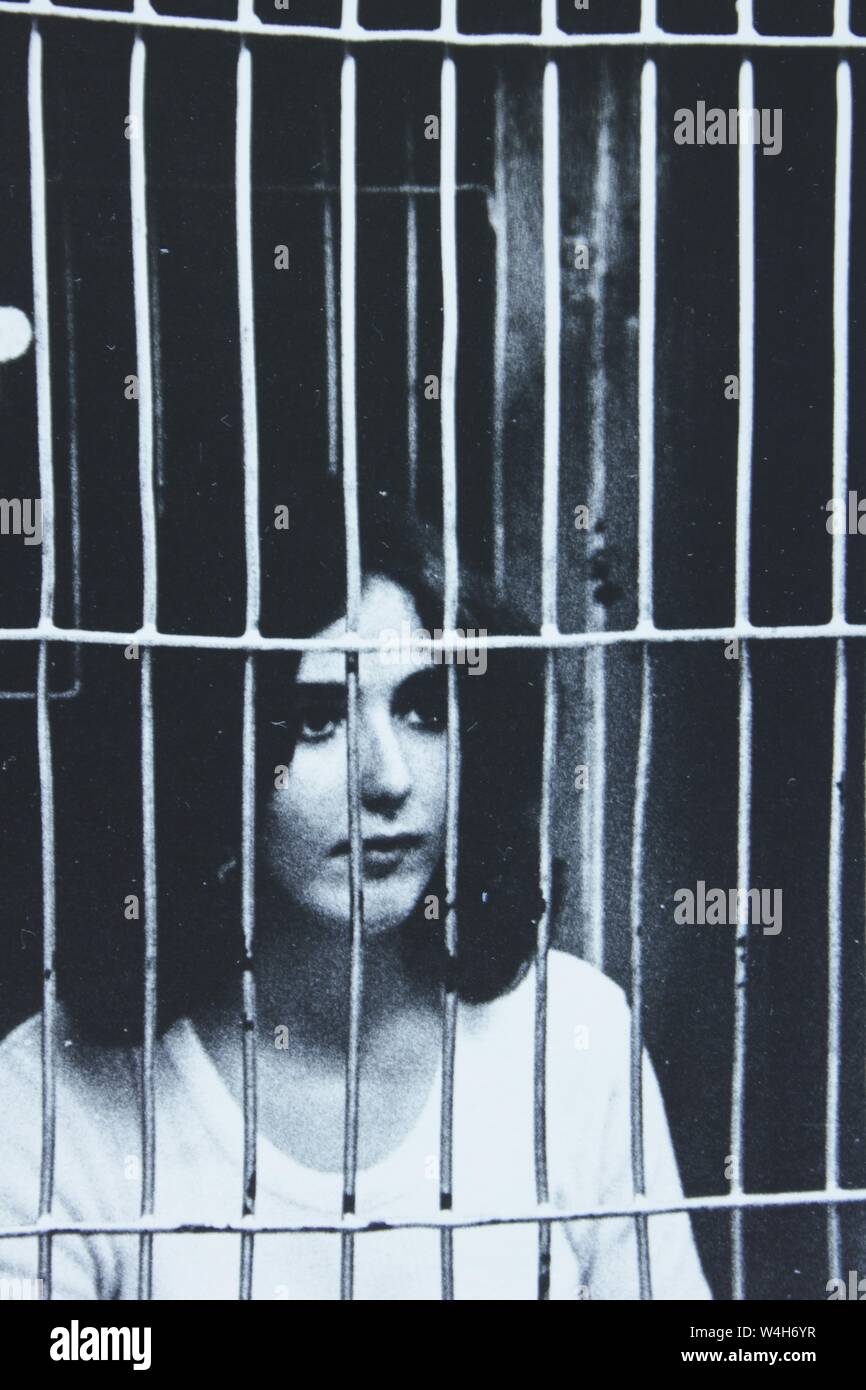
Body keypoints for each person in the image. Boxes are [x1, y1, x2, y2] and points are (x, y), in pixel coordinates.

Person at [0, 484, 711, 1300]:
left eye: (421, 710)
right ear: (202, 750)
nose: (389, 778)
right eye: (315, 719)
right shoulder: (50, 1098)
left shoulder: (576, 1044)